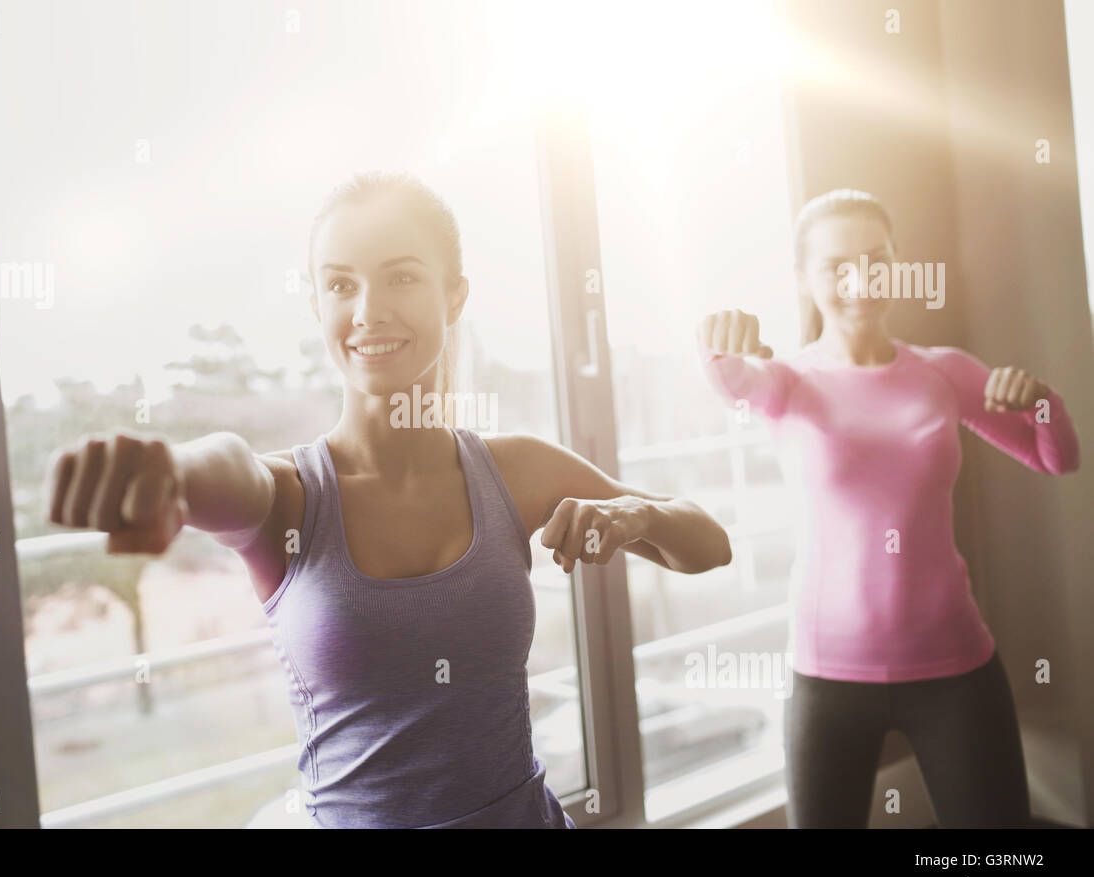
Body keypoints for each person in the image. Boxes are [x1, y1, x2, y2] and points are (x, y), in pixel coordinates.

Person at [47, 171, 732, 828]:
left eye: (401, 276)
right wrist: (168, 469)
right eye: (341, 285)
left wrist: (636, 515)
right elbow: (224, 465)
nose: (368, 310)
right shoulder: (287, 497)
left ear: (454, 295)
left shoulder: (516, 469)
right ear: (318, 306)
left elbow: (708, 543)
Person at [696, 188, 1081, 828]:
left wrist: (1042, 401)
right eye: (836, 265)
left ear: (898, 262)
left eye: (877, 258)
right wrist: (715, 342)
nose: (861, 278)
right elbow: (731, 379)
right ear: (802, 279)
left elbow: (1056, 457)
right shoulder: (787, 381)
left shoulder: (944, 372)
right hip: (827, 678)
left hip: (956, 669)